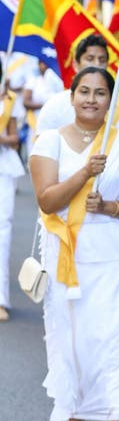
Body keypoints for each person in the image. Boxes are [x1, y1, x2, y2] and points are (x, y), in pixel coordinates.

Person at [29, 67, 119, 421]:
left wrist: (111, 206)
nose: (91, 99)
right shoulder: (48, 141)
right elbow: (47, 200)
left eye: (100, 93)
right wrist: (86, 171)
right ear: (71, 97)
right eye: (84, 91)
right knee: (73, 336)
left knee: (116, 335)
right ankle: (75, 414)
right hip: (67, 252)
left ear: (110, 101)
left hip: (115, 253)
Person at [36, 34, 119, 136]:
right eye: (90, 59)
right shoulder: (55, 105)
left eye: (102, 60)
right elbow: (42, 149)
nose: (97, 64)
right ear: (76, 65)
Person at [0, 62, 26, 322]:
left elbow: (14, 138)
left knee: (2, 231)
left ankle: (0, 299)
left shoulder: (9, 101)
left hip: (3, 172)